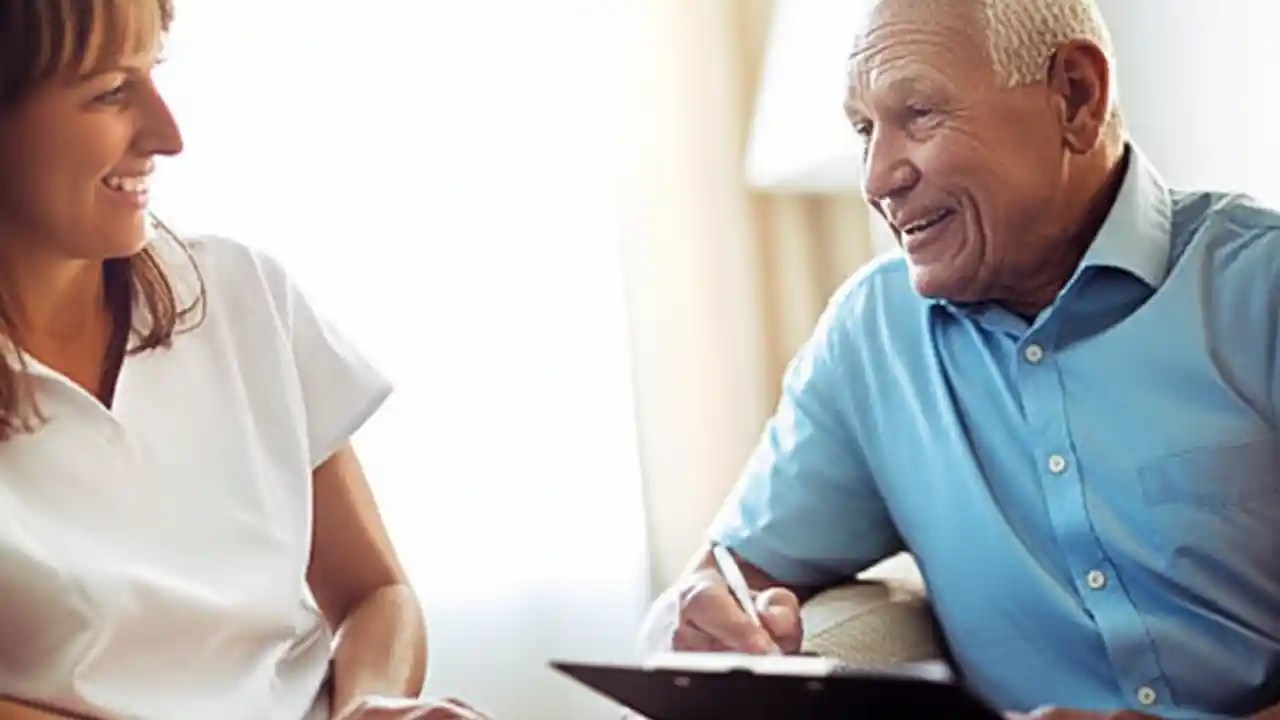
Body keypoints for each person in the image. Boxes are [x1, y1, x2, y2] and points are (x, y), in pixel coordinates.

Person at [642, 0, 1279, 718]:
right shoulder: (873, 338)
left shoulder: (1261, 288)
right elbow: (711, 589)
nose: (877, 179)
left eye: (917, 112)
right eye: (863, 130)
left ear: (1075, 95)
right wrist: (694, 624)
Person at [0, 2, 487, 719]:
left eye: (155, 70)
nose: (169, 136)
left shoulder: (243, 296)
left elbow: (374, 594)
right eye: (110, 91)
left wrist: (371, 709)